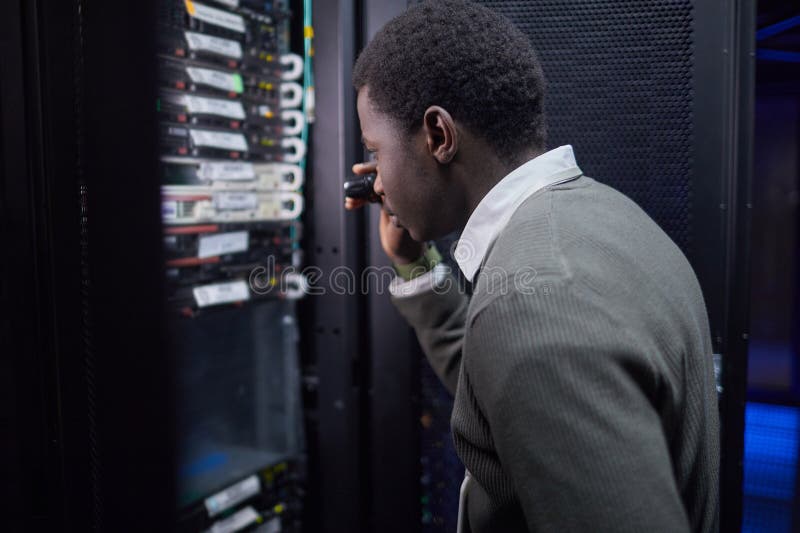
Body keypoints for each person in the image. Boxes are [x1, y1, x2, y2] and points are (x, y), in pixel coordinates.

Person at [345, 1, 720, 531]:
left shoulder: (538, 301)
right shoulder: (606, 217)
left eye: (377, 151)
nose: (377, 181)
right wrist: (413, 264)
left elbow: (535, 343)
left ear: (438, 136)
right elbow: (509, 388)